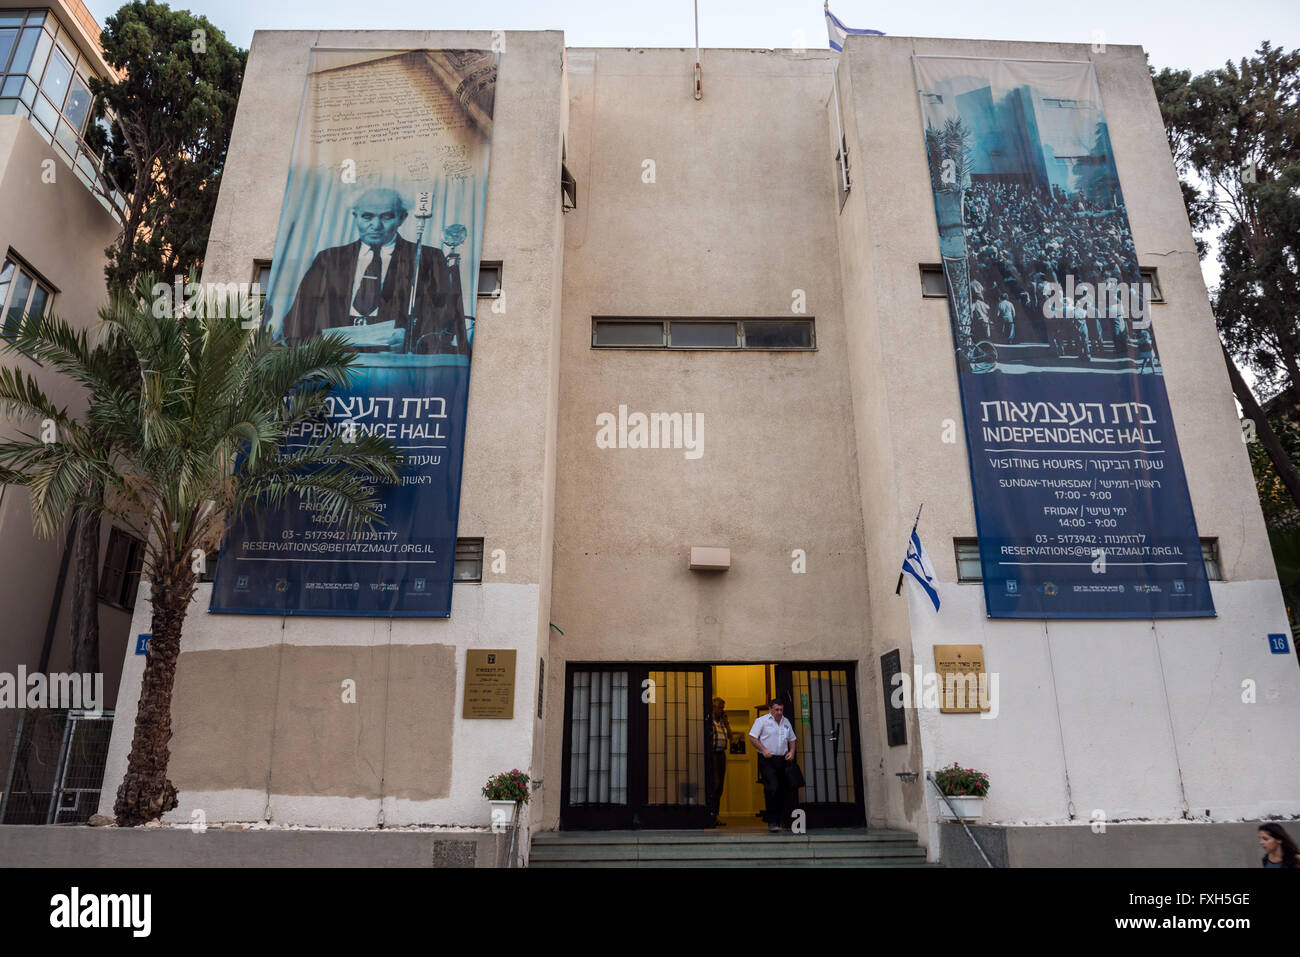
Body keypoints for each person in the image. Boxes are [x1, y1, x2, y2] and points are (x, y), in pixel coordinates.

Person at [278, 187, 470, 356]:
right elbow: (298, 316)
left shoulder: (428, 258)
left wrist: (413, 339)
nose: (376, 226)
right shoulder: (328, 259)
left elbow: (446, 315)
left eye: (386, 217)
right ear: (355, 216)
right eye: (367, 216)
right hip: (333, 365)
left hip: (397, 367)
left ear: (402, 218)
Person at [748, 698, 797, 833]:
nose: (779, 712)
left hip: (782, 759)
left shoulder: (786, 721)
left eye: (781, 710)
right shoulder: (762, 721)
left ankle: (781, 820)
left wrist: (792, 752)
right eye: (777, 710)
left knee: (782, 789)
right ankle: (772, 821)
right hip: (767, 760)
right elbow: (752, 737)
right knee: (772, 787)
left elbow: (792, 739)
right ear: (770, 709)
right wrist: (763, 750)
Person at [707, 697, 731, 826]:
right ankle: (710, 814)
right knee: (714, 784)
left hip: (722, 755)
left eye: (723, 707)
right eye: (720, 707)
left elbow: (731, 736)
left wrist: (727, 722)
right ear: (713, 708)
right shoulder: (709, 722)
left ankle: (715, 815)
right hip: (713, 755)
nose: (722, 710)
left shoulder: (722, 722)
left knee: (720, 786)